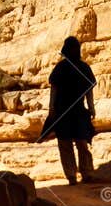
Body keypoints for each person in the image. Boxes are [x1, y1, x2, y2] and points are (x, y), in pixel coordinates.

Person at [40, 35, 97, 184]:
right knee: (75, 143)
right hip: (69, 111)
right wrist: (91, 107)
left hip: (69, 111)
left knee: (74, 143)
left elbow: (87, 89)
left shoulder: (66, 67)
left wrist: (51, 108)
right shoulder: (78, 67)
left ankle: (78, 174)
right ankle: (80, 174)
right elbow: (55, 88)